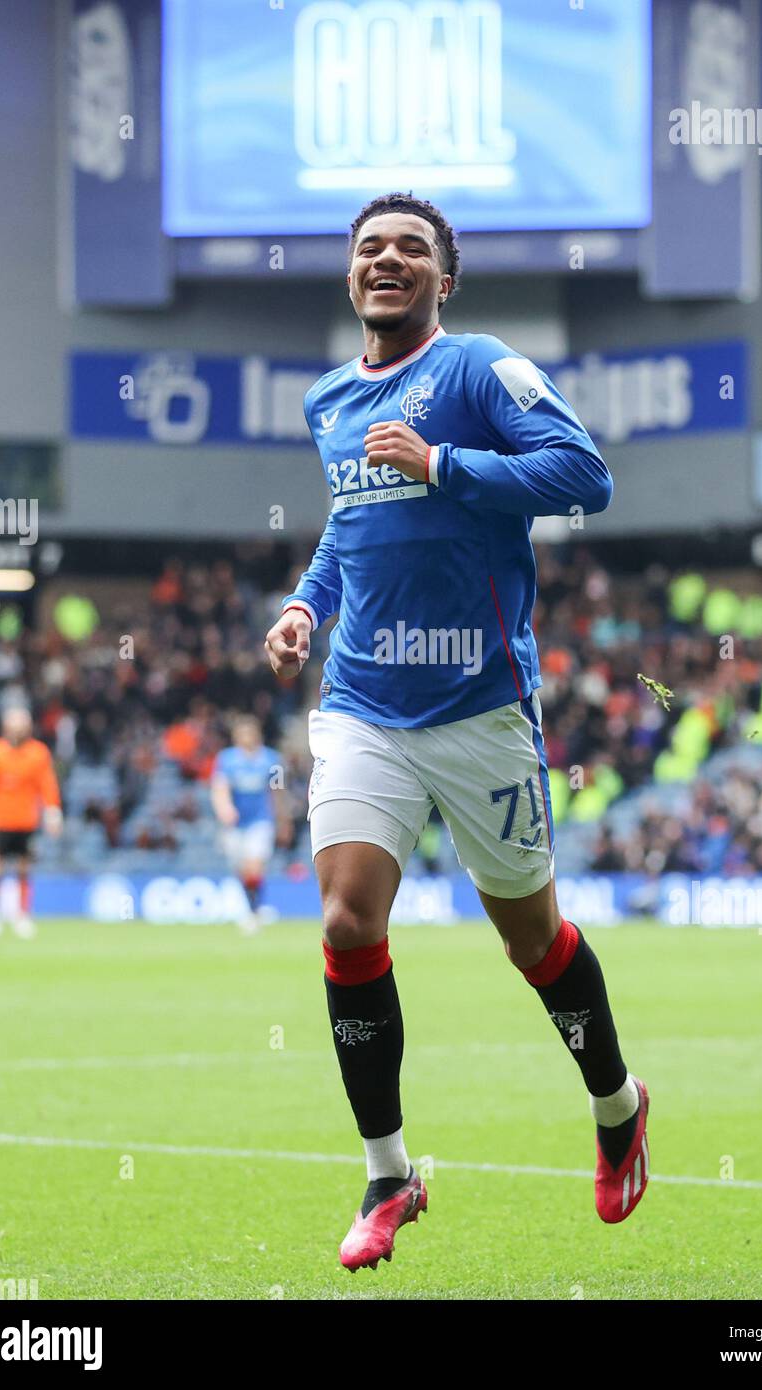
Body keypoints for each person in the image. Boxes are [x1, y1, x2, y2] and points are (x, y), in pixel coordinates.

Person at [264, 193, 650, 1272]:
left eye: (411, 249)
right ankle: (390, 1172)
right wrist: (306, 605)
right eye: (370, 248)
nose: (388, 260)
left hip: (480, 709)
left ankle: (618, 1105)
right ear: (350, 277)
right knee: (346, 923)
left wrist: (445, 464)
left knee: (533, 942)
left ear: (445, 276)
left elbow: (585, 475)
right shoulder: (331, 398)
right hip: (364, 706)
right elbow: (351, 522)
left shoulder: (480, 370)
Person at [0, 706, 62, 938]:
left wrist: (52, 809)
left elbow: (47, 783)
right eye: (14, 724)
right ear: (6, 726)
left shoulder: (39, 752)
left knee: (24, 868)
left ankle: (22, 915)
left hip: (26, 819)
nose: (18, 729)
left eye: (22, 725)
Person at [210, 716, 292, 933]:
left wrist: (283, 821)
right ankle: (251, 909)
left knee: (254, 865)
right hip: (235, 824)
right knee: (241, 869)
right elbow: (220, 787)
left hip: (261, 821)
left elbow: (278, 793)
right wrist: (224, 808)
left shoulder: (272, 760)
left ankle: (254, 911)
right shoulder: (226, 759)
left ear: (257, 735)